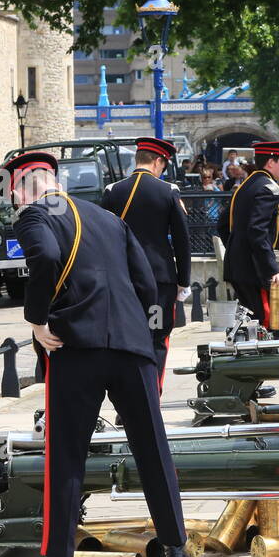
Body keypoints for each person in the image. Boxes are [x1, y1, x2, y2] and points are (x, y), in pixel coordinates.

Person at [7, 151, 192, 557]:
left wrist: (37, 318)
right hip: (132, 345)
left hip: (78, 347)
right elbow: (146, 282)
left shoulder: (35, 215)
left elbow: (47, 258)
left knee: (66, 453)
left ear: (21, 188)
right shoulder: (106, 218)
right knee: (152, 447)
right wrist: (144, 336)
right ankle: (177, 550)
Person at [100, 136, 192, 392]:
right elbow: (183, 241)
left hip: (124, 280)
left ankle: (128, 396)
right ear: (159, 161)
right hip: (159, 282)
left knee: (128, 338)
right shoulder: (168, 191)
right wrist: (183, 281)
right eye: (163, 165)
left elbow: (101, 236)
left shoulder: (113, 191)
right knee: (157, 337)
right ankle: (150, 394)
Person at [217, 139, 279, 331]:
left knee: (252, 325)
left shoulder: (246, 185)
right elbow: (258, 232)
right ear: (271, 162)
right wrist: (272, 269)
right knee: (269, 323)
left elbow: (223, 224)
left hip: (238, 266)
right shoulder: (269, 187)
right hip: (254, 269)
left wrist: (236, 249)